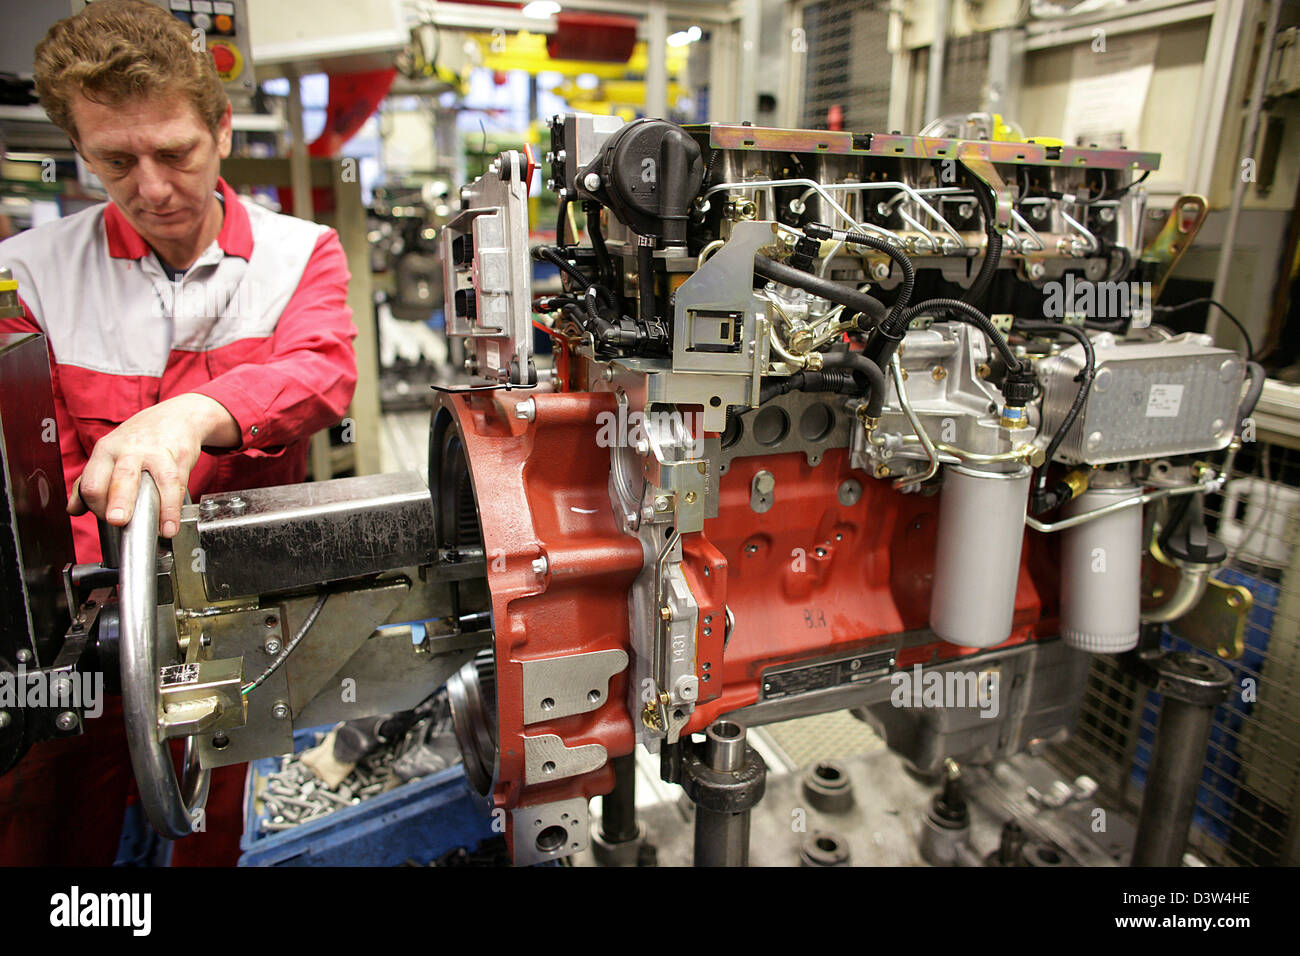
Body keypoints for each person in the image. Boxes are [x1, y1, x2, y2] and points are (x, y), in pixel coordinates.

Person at [0, 0, 358, 865]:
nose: (152, 188)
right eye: (115, 161)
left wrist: (192, 415)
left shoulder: (298, 253)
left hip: (230, 610)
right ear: (76, 151)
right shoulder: (29, 272)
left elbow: (323, 370)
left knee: (204, 812)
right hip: (77, 625)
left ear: (222, 128)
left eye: (174, 152)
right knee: (45, 815)